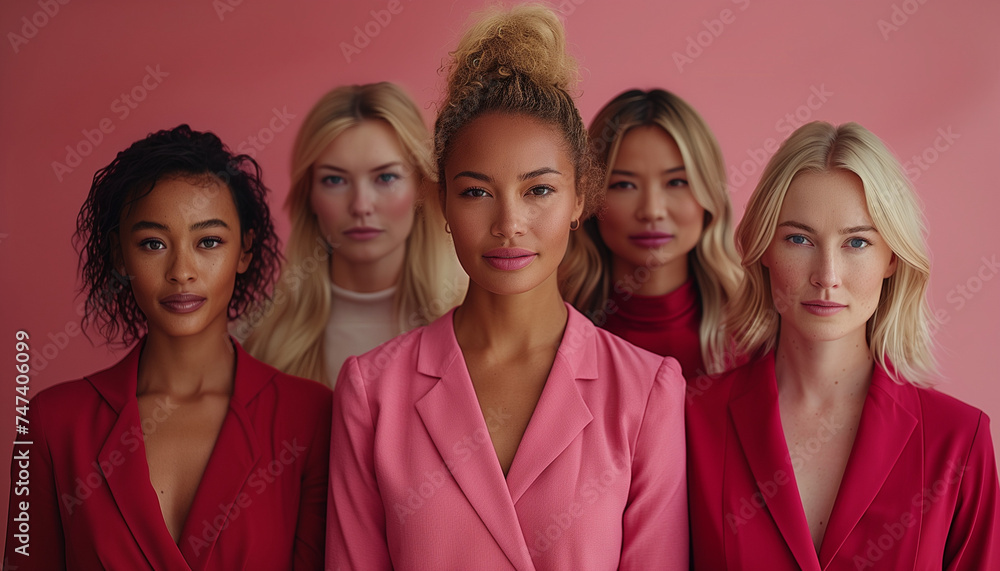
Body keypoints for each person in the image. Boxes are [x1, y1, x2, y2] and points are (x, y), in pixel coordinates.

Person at [326, 5, 687, 570]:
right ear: (442, 202)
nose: (508, 224)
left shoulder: (646, 392)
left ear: (579, 198)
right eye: (476, 192)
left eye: (538, 190)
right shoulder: (372, 392)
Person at [4, 125, 331, 569]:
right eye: (153, 243)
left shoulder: (310, 417)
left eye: (209, 241)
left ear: (245, 250)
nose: (181, 270)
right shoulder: (51, 424)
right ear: (119, 254)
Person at [686, 121, 1000, 569]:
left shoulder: (959, 441)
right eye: (799, 239)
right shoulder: (692, 419)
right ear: (765, 249)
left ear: (892, 258)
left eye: (856, 242)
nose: (827, 275)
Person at [241, 82, 464, 386]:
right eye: (335, 180)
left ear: (421, 187)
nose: (360, 206)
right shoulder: (255, 338)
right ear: (310, 196)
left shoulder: (471, 322)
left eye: (386, 177)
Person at [561, 89, 741, 378]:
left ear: (709, 193)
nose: (652, 210)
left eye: (676, 182)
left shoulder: (757, 336)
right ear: (589, 198)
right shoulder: (555, 334)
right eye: (624, 185)